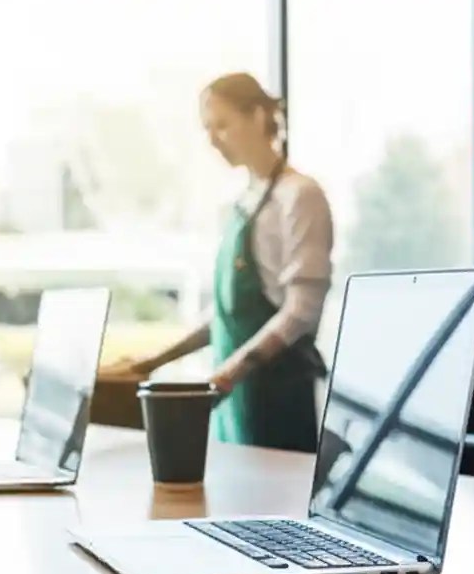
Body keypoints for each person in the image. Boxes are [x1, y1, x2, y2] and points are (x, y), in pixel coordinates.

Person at [103, 73, 333, 453]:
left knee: (276, 504)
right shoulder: (244, 203)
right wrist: (153, 361)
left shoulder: (300, 197)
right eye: (207, 129)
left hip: (276, 396)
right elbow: (228, 313)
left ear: (259, 117)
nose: (212, 140)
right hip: (235, 398)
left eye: (222, 126)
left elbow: (300, 311)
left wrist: (227, 375)